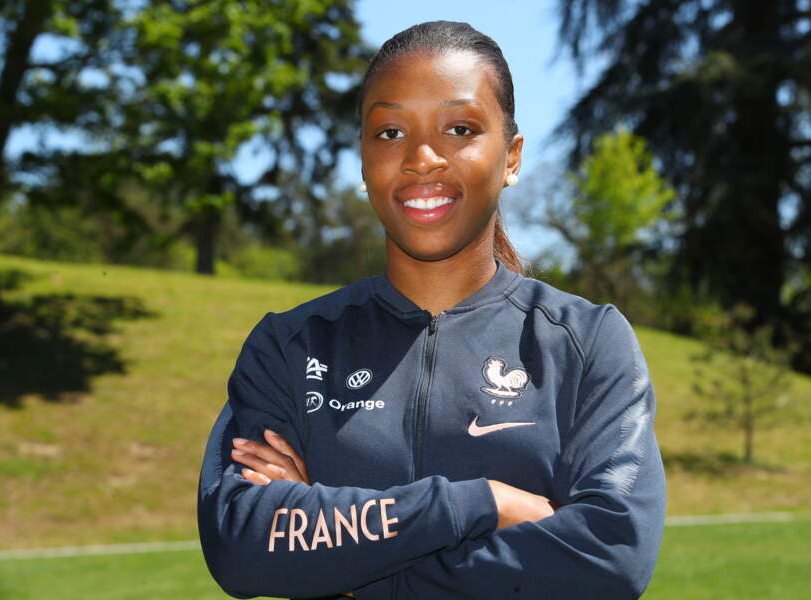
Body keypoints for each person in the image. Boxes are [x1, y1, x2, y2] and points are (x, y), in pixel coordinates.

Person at [197, 20, 666, 600]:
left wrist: (348, 568)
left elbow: (611, 555)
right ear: (364, 160)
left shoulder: (588, 342)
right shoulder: (291, 346)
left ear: (511, 157)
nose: (421, 158)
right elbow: (243, 545)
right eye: (390, 132)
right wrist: (483, 503)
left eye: (460, 128)